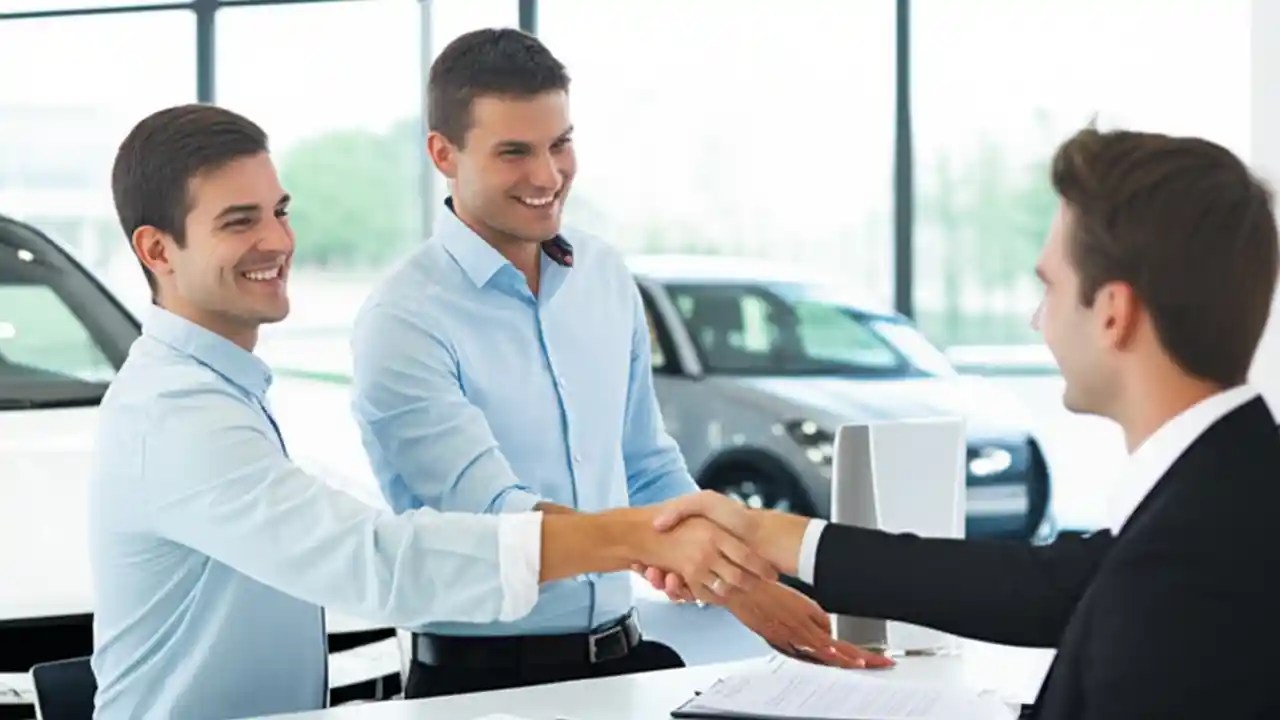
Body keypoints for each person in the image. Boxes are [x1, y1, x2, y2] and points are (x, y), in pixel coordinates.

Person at [87, 103, 782, 720]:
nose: (278, 241)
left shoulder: (219, 388)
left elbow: (644, 459)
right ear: (157, 250)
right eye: (241, 222)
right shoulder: (176, 414)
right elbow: (376, 560)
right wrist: (637, 538)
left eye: (281, 211)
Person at [649, 127, 1280, 719]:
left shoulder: (1187, 558)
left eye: (1050, 288)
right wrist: (767, 532)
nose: (1040, 320)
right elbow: (1049, 587)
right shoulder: (1229, 484)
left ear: (1113, 313)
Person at [348, 27, 886, 700]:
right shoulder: (404, 318)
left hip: (622, 661)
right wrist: (695, 562)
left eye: (559, 144)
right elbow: (499, 521)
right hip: (482, 686)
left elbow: (646, 464)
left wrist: (745, 585)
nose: (547, 176)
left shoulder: (602, 275)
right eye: (514, 152)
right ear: (443, 154)